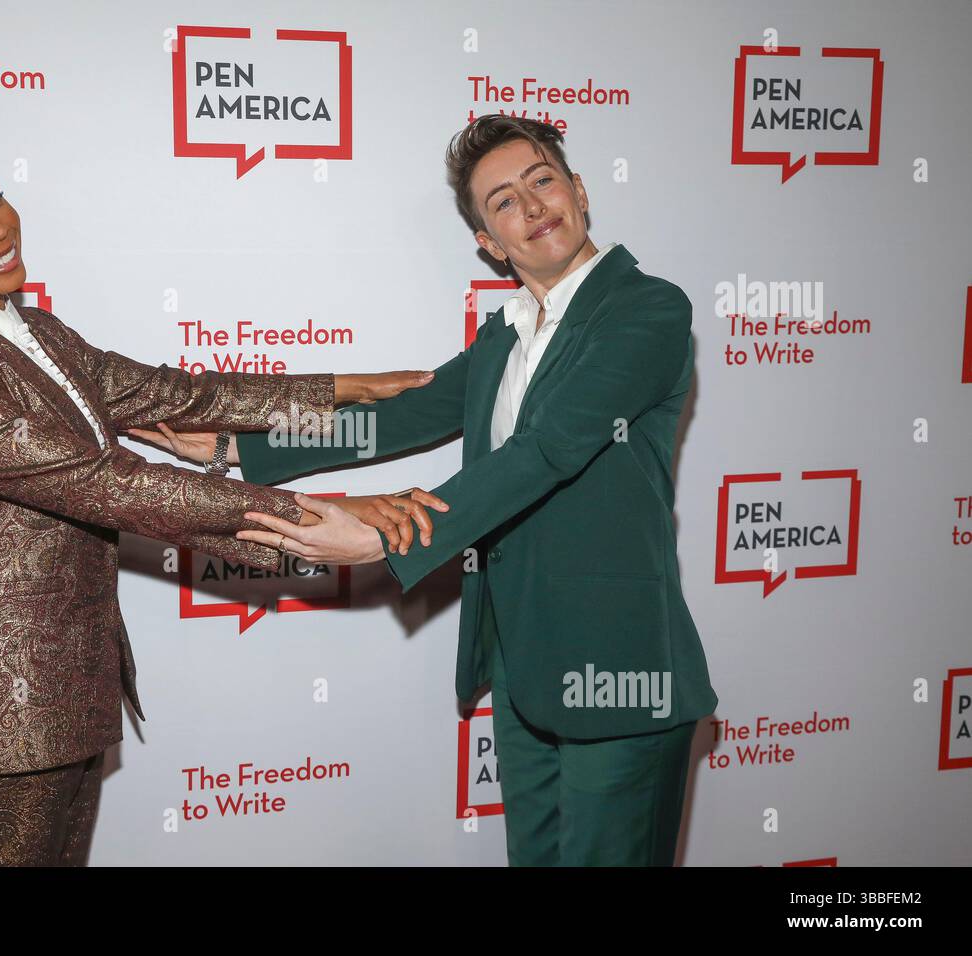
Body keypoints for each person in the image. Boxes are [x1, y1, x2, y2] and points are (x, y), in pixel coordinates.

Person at [0, 81, 442, 866]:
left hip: (67, 693)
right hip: (4, 707)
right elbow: (114, 483)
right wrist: (324, 515)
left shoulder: (30, 329)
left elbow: (181, 394)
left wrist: (346, 387)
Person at [145, 115, 720, 866]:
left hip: (620, 667)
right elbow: (394, 421)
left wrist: (388, 533)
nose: (533, 205)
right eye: (504, 201)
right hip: (523, 661)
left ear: (579, 191)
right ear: (490, 242)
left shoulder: (648, 308)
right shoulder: (505, 334)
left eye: (542, 181)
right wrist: (235, 446)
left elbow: (550, 450)